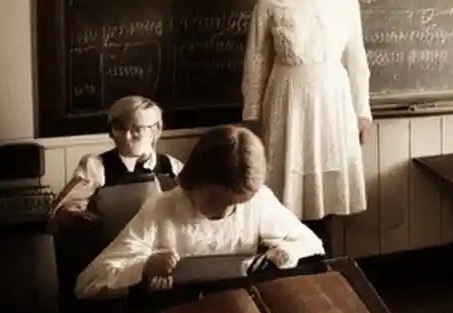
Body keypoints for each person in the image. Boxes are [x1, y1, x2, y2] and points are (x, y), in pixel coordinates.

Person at [74, 125, 324, 299]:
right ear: (195, 181)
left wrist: (280, 254)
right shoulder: (162, 209)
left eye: (237, 203)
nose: (228, 211)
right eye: (218, 199)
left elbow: (312, 244)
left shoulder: (257, 202)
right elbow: (87, 284)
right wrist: (143, 268)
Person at [242, 0, 372, 232]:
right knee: (284, 181)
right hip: (288, 97)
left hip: (333, 100)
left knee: (325, 182)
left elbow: (357, 62)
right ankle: (287, 258)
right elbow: (256, 61)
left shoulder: (346, 2)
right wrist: (251, 112)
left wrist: (362, 113)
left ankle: (324, 263)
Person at [48, 95, 183, 234]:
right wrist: (77, 217)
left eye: (137, 129)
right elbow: (60, 213)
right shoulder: (95, 167)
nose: (127, 137)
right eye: (119, 128)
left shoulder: (171, 166)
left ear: (157, 129)